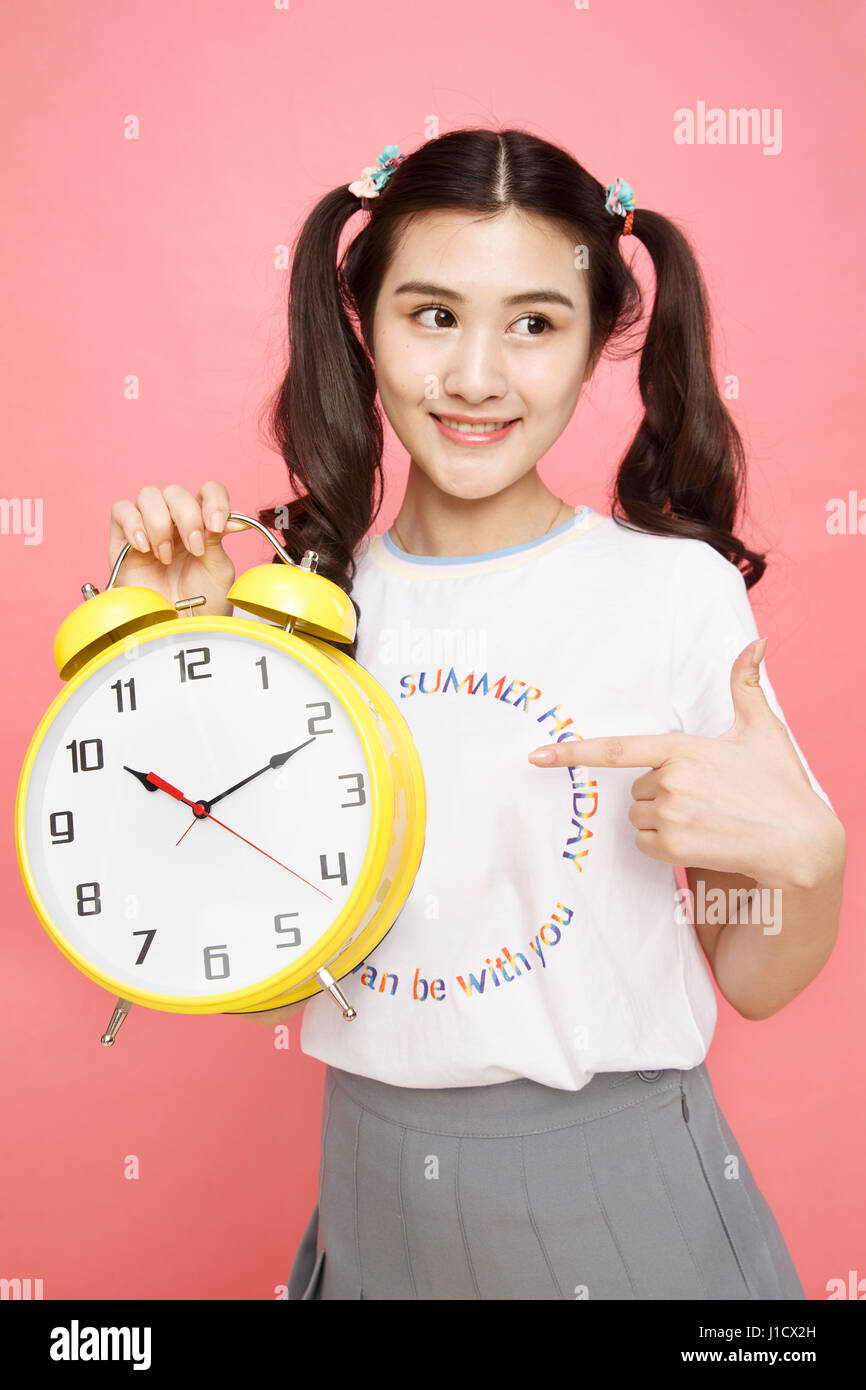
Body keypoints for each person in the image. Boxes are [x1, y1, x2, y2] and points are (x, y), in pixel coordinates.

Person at [108, 128, 846, 1301]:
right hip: (368, 1178)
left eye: (534, 323)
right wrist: (175, 669)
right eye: (433, 314)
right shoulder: (301, 608)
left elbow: (752, 977)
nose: (473, 378)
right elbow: (269, 960)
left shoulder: (668, 593)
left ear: (601, 335)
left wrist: (810, 863)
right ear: (363, 319)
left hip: (622, 1187)